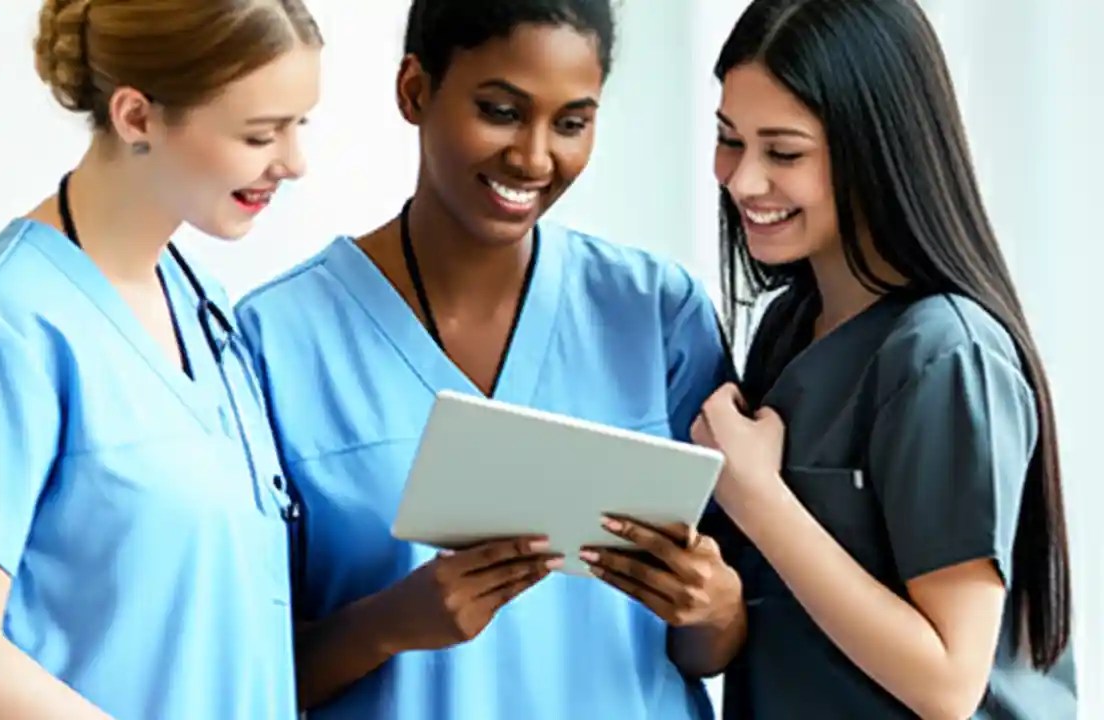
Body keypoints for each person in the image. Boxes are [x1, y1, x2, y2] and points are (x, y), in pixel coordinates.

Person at [235, 1, 744, 719]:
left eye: (571, 123)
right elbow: (235, 677)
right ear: (415, 90)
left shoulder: (658, 313)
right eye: (501, 111)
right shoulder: (274, 341)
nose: (535, 157)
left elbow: (712, 647)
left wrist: (716, 613)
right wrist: (385, 627)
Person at [0, 1, 321, 718]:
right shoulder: (6, 326)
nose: (294, 162)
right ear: (136, 117)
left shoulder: (198, 305)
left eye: (300, 125)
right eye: (260, 134)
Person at [690, 0, 1076, 718]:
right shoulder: (789, 326)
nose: (742, 181)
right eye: (728, 139)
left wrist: (759, 498)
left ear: (876, 148)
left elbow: (949, 686)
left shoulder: (945, 354)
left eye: (784, 152)